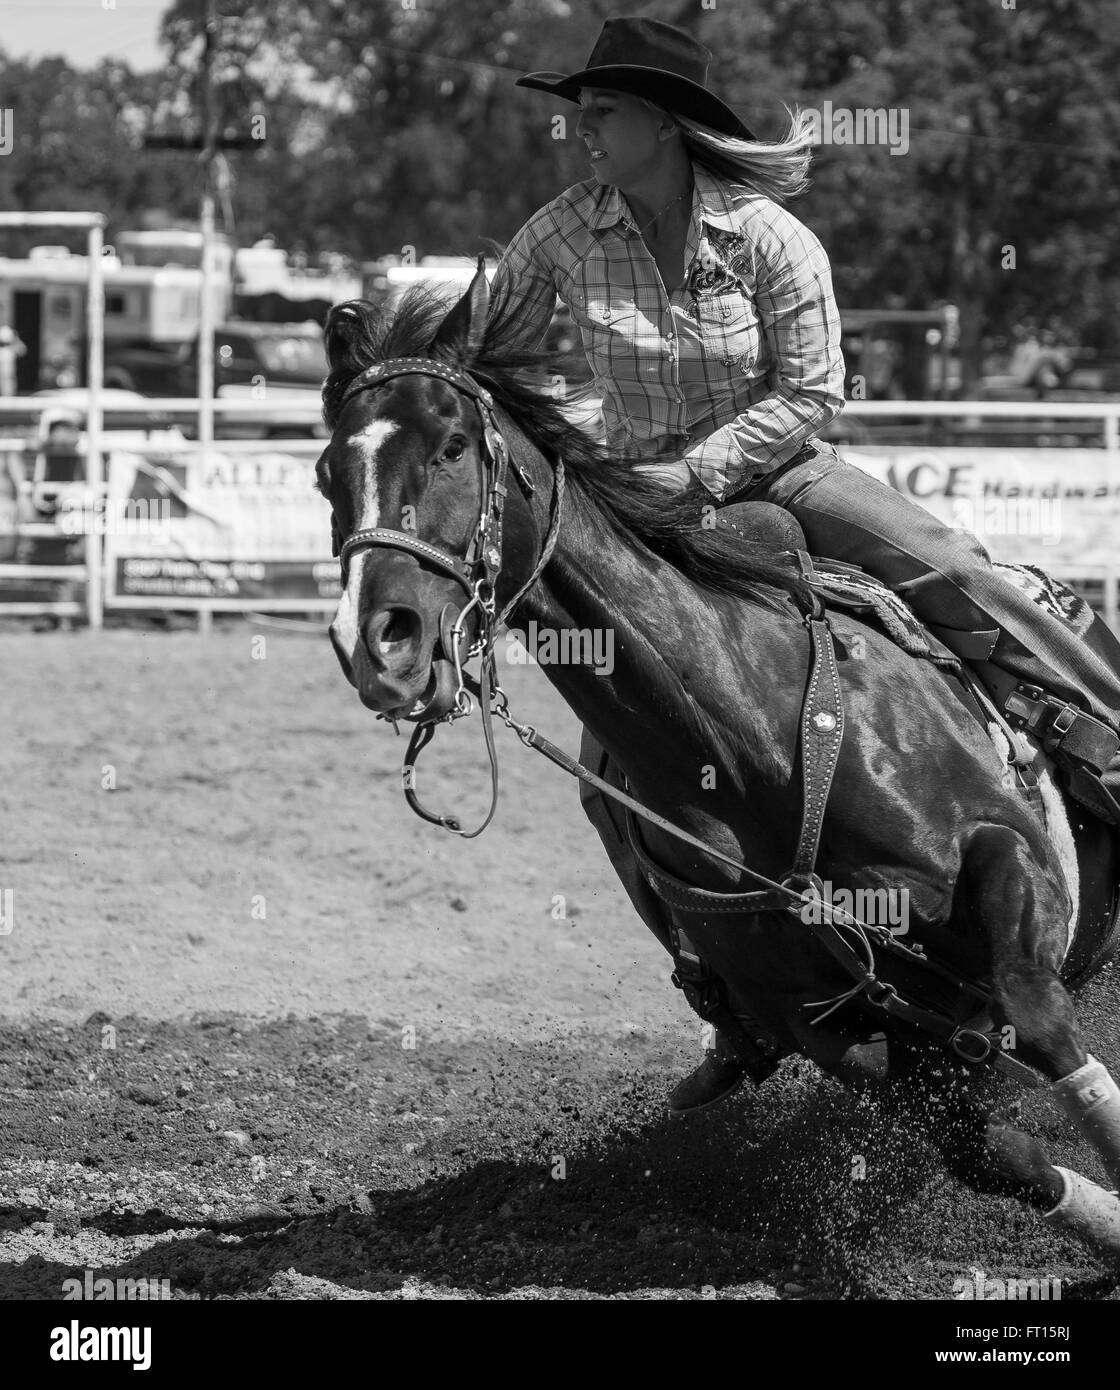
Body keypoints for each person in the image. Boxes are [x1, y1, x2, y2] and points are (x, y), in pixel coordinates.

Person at [487, 16, 1120, 1111]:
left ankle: (1101, 733)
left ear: (664, 124)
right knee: (612, 772)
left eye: (601, 112)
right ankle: (723, 997)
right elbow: (495, 338)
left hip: (779, 474)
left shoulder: (767, 237)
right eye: (579, 112)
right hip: (643, 503)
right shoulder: (557, 236)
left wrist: (696, 471)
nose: (579, 130)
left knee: (956, 570)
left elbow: (812, 390)